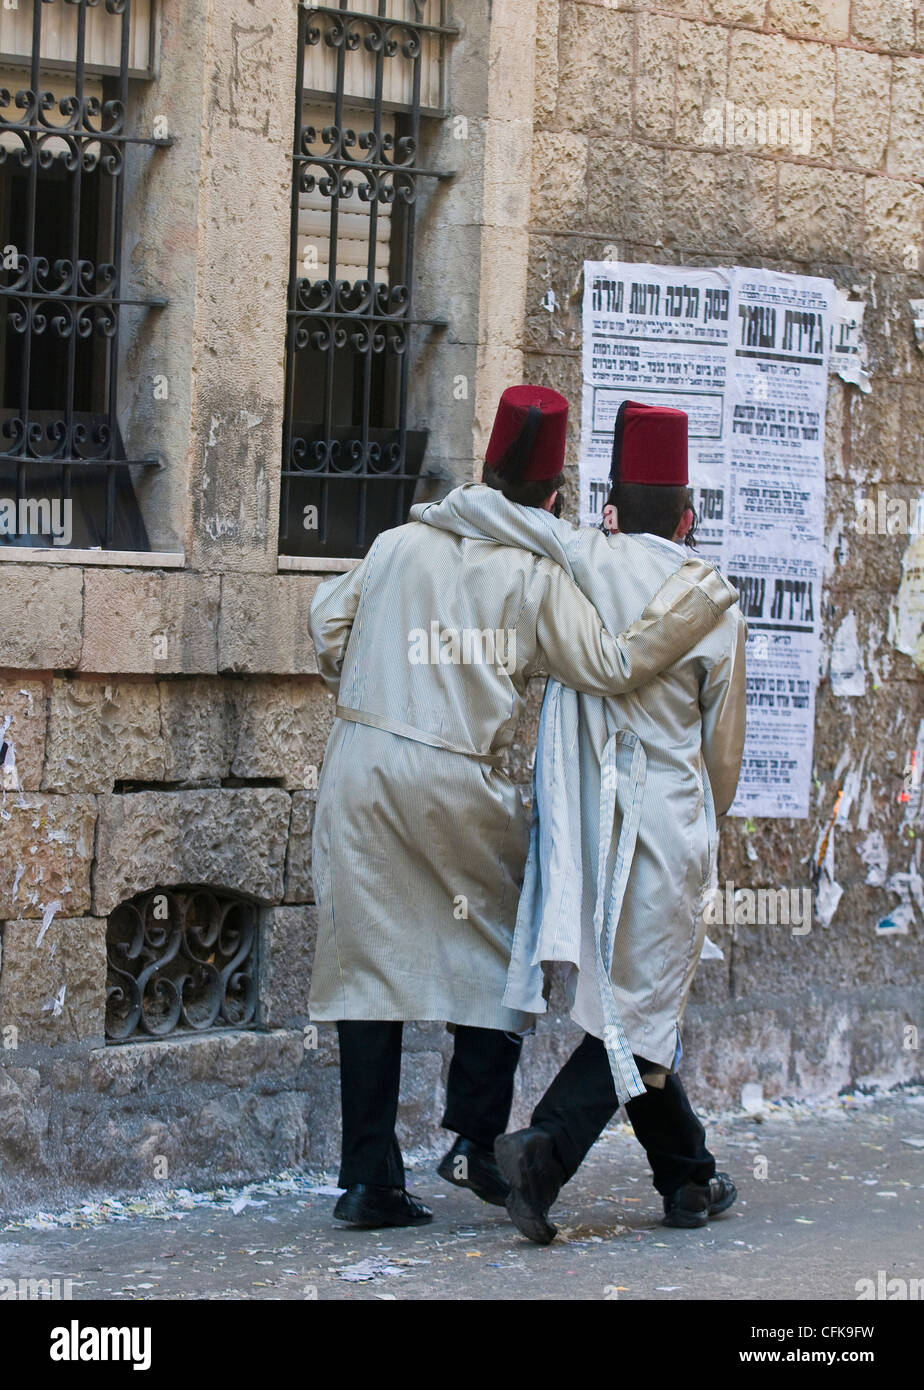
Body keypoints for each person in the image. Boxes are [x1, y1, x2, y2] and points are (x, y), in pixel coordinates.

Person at [308, 386, 740, 1230]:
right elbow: (611, 664)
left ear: (486, 467)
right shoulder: (537, 574)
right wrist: (697, 605)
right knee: (502, 958)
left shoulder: (399, 543)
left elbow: (327, 624)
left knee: (365, 976)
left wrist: (370, 693)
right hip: (459, 780)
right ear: (551, 498)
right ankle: (475, 1140)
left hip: (360, 765)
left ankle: (367, 1184)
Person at [499, 400, 747, 1244]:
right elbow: (722, 756)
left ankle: (689, 1178)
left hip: (592, 825)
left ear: (614, 503)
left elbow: (510, 519)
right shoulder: (711, 603)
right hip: (668, 825)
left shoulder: (583, 563)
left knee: (633, 1011)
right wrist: (710, 821)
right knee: (639, 1016)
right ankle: (542, 1152)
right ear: (686, 516)